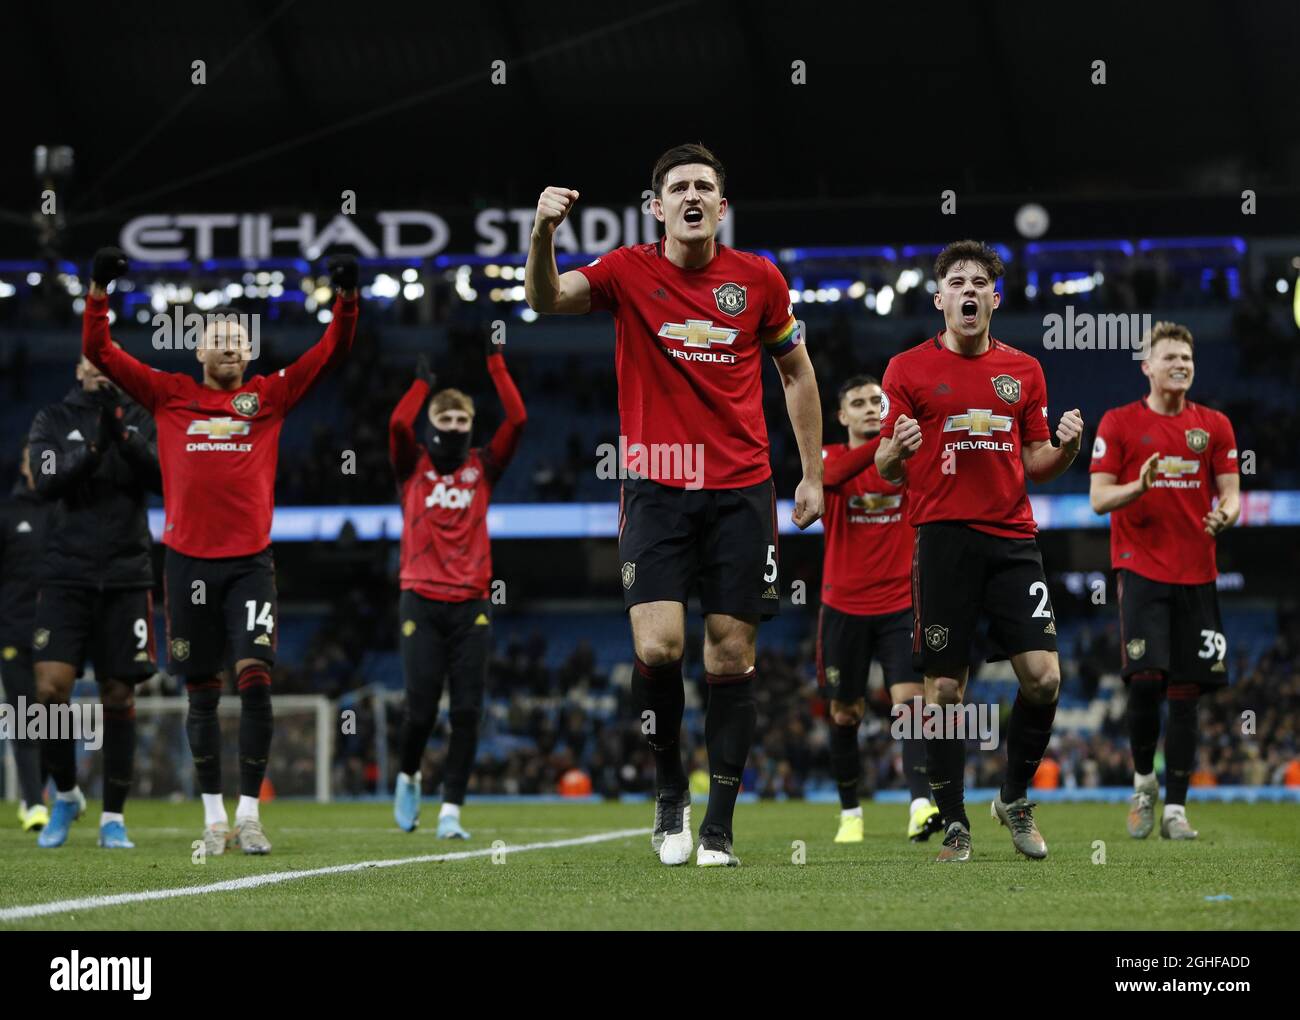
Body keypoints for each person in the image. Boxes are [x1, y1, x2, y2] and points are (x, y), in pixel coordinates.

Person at [525, 142, 824, 867]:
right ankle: (670, 793)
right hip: (655, 486)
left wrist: (812, 474)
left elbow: (796, 375)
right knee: (658, 646)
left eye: (706, 187)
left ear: (722, 207)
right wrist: (541, 234)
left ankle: (719, 824)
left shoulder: (759, 280)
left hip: (741, 492)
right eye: (678, 187)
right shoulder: (628, 271)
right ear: (655, 207)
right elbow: (542, 300)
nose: (693, 196)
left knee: (731, 654)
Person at [81, 246, 360, 855]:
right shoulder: (167, 393)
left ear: (251, 351)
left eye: (240, 338)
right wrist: (98, 290)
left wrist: (345, 300)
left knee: (256, 682)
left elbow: (332, 351)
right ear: (200, 350)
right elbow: (101, 352)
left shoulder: (270, 395)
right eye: (220, 338)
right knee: (201, 691)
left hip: (249, 565)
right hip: (185, 565)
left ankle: (250, 814)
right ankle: (213, 818)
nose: (231, 345)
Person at [876, 239, 1083, 863]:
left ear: (995, 296)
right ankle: (956, 821)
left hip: (1013, 539)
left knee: (1045, 679)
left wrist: (1069, 448)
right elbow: (886, 468)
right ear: (939, 298)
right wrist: (897, 449)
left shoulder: (1024, 371)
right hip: (942, 541)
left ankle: (1013, 797)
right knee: (944, 692)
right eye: (957, 282)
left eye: (980, 282)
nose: (969, 291)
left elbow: (1037, 460)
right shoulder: (905, 370)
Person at [1089, 321, 1238, 840]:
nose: (1181, 365)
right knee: (1147, 680)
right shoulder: (1118, 423)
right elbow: (1099, 498)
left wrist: (1227, 514)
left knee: (1187, 692)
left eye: (1187, 359)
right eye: (1170, 357)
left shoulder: (1215, 425)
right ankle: (1142, 783)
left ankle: (1175, 810)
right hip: (1141, 567)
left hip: (1198, 572)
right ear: (1147, 367)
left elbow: (1232, 493)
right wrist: (1139, 485)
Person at [389, 339, 526, 838]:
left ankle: (451, 812)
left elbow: (518, 420)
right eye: (444, 422)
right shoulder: (412, 466)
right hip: (421, 599)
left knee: (467, 711)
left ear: (470, 426)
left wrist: (495, 363)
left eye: (461, 422)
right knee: (421, 709)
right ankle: (407, 776)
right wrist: (421, 384)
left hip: (471, 604)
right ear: (433, 426)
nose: (452, 429)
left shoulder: (483, 467)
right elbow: (397, 425)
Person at [26, 347, 161, 849]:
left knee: (119, 695)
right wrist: (95, 449)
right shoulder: (52, 419)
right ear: (78, 367)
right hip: (66, 573)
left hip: (126, 575)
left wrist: (122, 434)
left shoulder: (143, 416)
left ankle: (113, 819)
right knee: (49, 691)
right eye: (92, 361)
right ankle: (65, 794)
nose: (100, 369)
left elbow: (164, 478)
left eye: (109, 362)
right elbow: (46, 481)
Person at [819, 375, 941, 844]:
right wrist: (886, 444)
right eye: (859, 403)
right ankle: (851, 813)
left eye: (878, 401)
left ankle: (918, 805)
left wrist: (899, 446)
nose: (871, 408)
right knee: (845, 713)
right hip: (842, 606)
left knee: (911, 707)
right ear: (842, 416)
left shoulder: (908, 458)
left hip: (899, 603)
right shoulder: (830, 457)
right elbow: (827, 478)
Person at [0, 443, 53, 831]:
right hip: (14, 631)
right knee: (24, 718)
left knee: (54, 719)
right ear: (23, 466)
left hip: (58, 633)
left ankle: (46, 792)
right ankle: (34, 802)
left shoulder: (66, 510)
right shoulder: (7, 514)